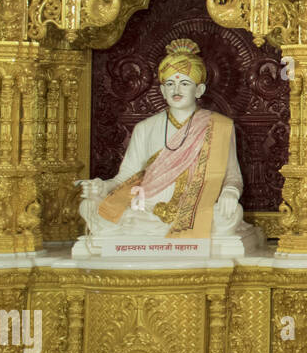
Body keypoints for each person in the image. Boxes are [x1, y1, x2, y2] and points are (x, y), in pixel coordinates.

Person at [77, 38, 245, 239]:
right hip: (145, 210)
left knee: (231, 215)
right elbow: (125, 177)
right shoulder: (144, 128)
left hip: (195, 211)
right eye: (170, 84)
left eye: (184, 83)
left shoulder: (220, 126)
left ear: (199, 90)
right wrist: (102, 187)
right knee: (89, 206)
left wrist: (230, 193)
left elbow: (232, 176)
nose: (176, 90)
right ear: (163, 90)